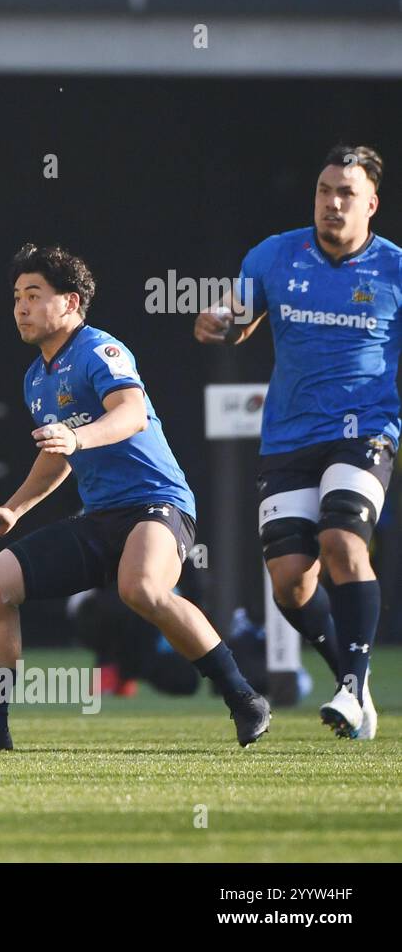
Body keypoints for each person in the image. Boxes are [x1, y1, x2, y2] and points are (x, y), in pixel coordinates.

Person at [0, 244, 269, 751]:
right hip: (101, 516)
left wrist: (78, 437)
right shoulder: (35, 378)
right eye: (17, 296)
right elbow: (57, 456)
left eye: (34, 295)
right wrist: (12, 510)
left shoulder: (99, 349)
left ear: (70, 302)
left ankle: (243, 698)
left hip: (158, 503)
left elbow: (130, 413)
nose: (20, 306)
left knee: (141, 588)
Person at [194, 144, 399, 739]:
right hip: (288, 436)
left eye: (346, 195)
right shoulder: (275, 255)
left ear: (372, 205)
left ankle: (354, 688)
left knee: (341, 539)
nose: (332, 203)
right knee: (290, 580)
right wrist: (216, 319)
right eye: (324, 190)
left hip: (365, 430)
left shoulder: (394, 271)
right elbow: (237, 316)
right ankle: (353, 687)